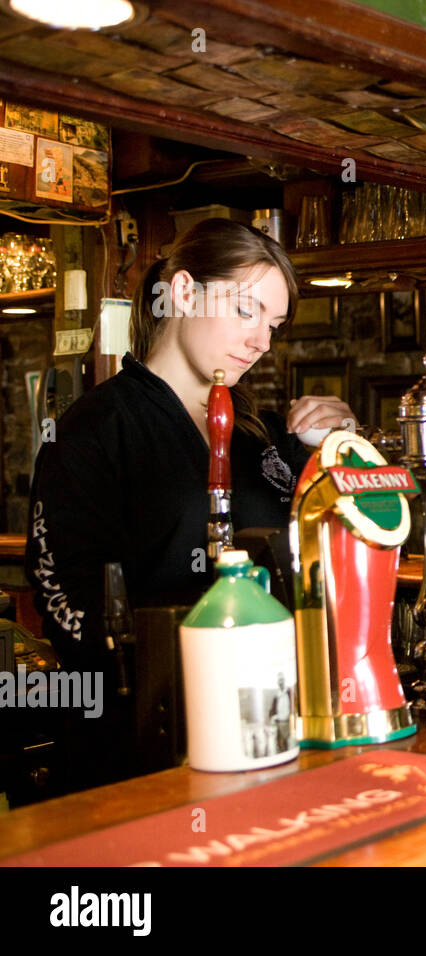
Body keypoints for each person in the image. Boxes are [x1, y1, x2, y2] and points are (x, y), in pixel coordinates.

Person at [25, 219, 354, 783]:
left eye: (273, 324)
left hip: (271, 720)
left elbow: (324, 555)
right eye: (246, 310)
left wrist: (342, 448)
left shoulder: (260, 432)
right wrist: (155, 681)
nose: (262, 340)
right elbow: (63, 594)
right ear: (182, 293)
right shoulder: (96, 428)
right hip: (144, 749)